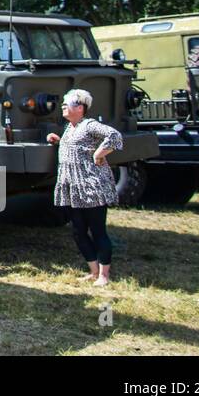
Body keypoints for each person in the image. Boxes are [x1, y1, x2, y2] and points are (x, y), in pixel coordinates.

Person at [47, 88, 123, 286]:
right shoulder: (69, 128)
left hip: (91, 186)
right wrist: (58, 140)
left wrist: (99, 154)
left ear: (80, 108)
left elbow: (114, 136)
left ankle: (104, 275)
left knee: (98, 231)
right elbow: (76, 147)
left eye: (67, 103)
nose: (63, 106)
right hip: (73, 188)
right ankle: (93, 270)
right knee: (78, 232)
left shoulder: (89, 125)